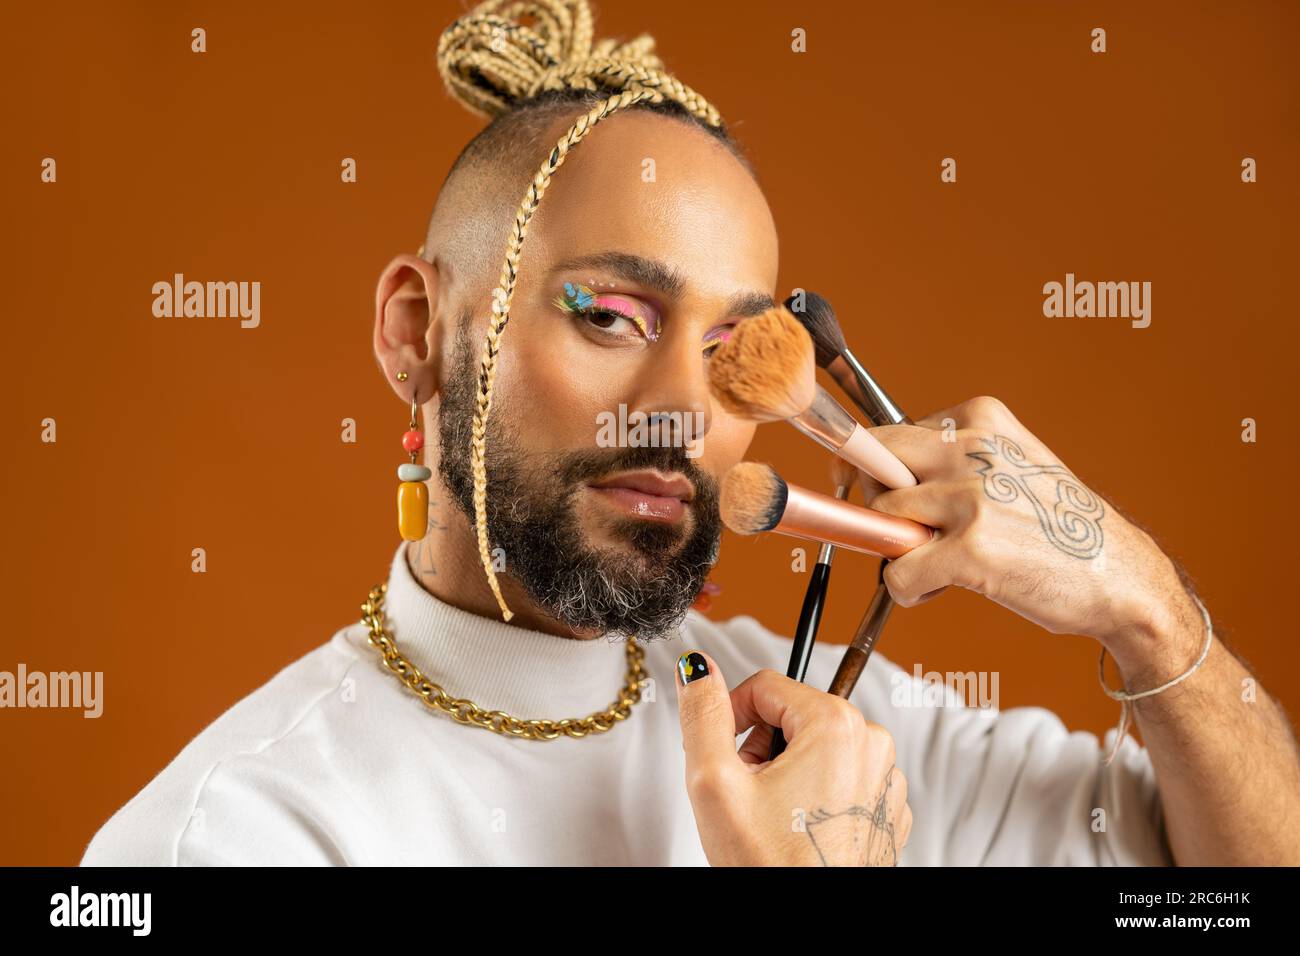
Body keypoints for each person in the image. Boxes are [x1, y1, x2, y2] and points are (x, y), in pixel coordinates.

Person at [81, 0, 1300, 867]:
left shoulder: (828, 727)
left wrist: (1146, 606)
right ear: (417, 332)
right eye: (610, 314)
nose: (680, 408)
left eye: (732, 351)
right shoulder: (236, 833)